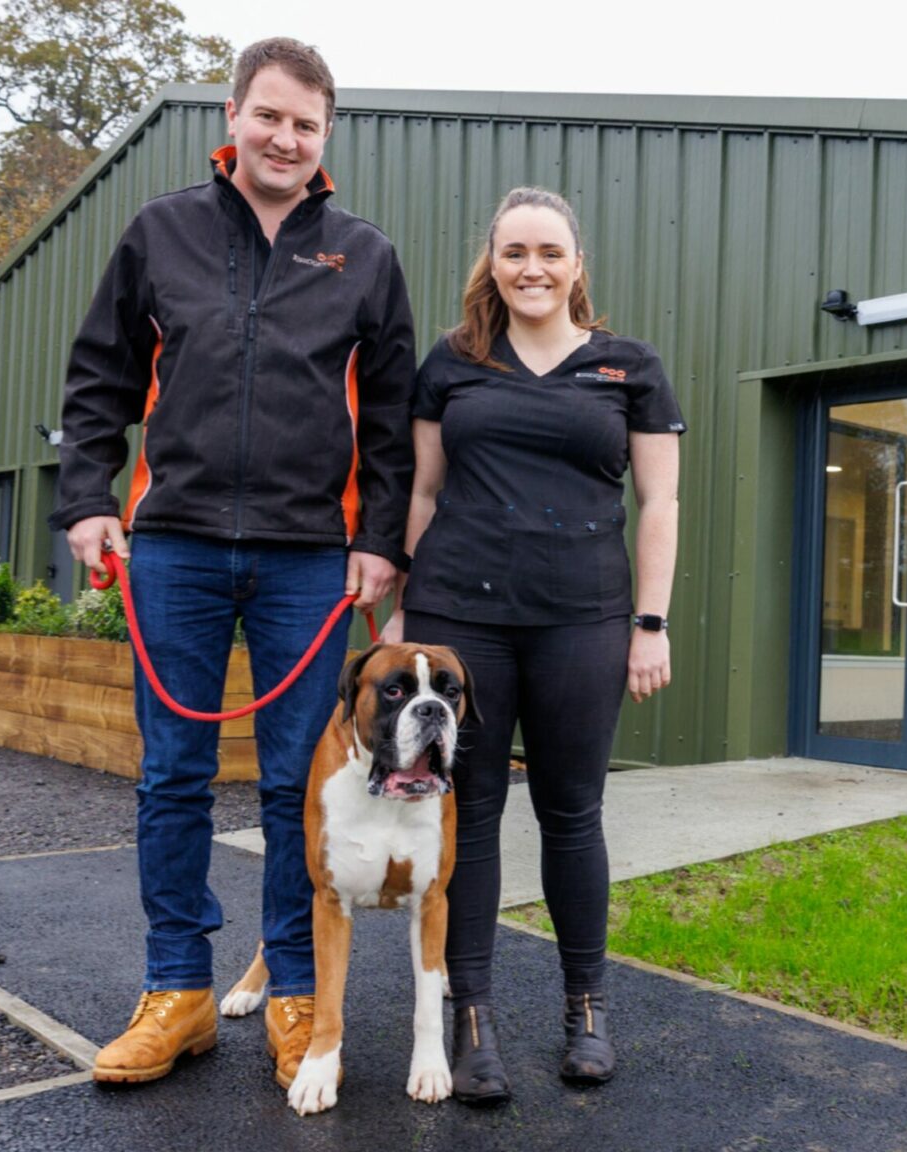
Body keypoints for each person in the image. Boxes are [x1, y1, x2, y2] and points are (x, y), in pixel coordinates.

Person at [49, 37, 415, 1091]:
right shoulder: (160, 232)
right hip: (175, 546)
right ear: (234, 116)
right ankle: (180, 993)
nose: (285, 138)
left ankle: (297, 992)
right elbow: (100, 377)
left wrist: (378, 538)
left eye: (306, 124)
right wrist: (87, 502)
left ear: (326, 136)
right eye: (270, 117)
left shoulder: (362, 254)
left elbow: (390, 416)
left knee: (303, 786)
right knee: (174, 776)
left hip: (312, 558)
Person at [383, 186, 683, 1104]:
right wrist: (397, 605)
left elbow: (660, 503)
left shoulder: (628, 368)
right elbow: (423, 494)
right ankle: (470, 1017)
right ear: (493, 263)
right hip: (460, 620)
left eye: (549, 251)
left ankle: (585, 1007)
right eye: (514, 252)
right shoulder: (454, 363)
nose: (532, 267)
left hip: (582, 620)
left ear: (576, 265)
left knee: (571, 811)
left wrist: (650, 624)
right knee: (466, 812)